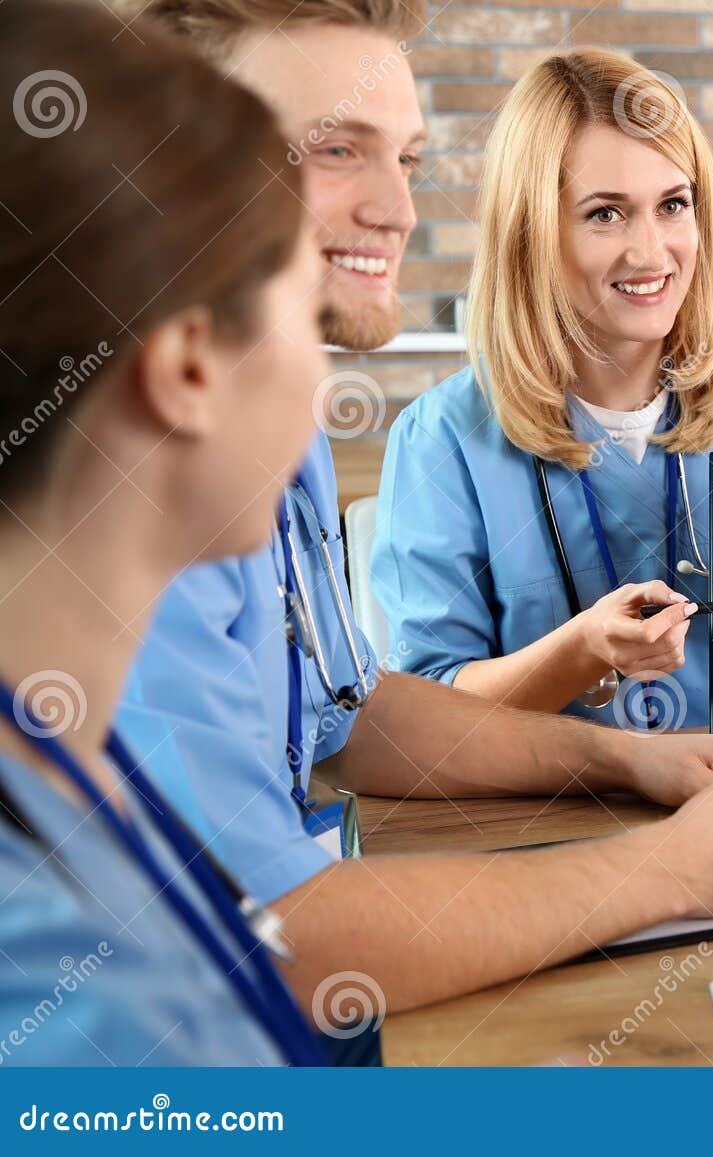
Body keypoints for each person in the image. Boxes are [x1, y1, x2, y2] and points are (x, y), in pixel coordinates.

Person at [120, 0, 713, 1035]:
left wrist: (630, 759)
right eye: (336, 148)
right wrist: (673, 867)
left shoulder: (281, 432)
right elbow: (264, 941)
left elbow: (348, 717)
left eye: (408, 161)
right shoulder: (132, 465)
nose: (398, 208)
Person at [0, 0, 331, 1065]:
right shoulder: (73, 1008)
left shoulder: (58, 754)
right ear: (190, 366)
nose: (323, 375)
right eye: (308, 313)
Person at [370, 47, 713, 731]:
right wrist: (581, 651)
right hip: (549, 796)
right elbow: (427, 712)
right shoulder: (443, 440)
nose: (651, 253)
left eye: (673, 205)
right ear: (532, 234)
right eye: (605, 214)